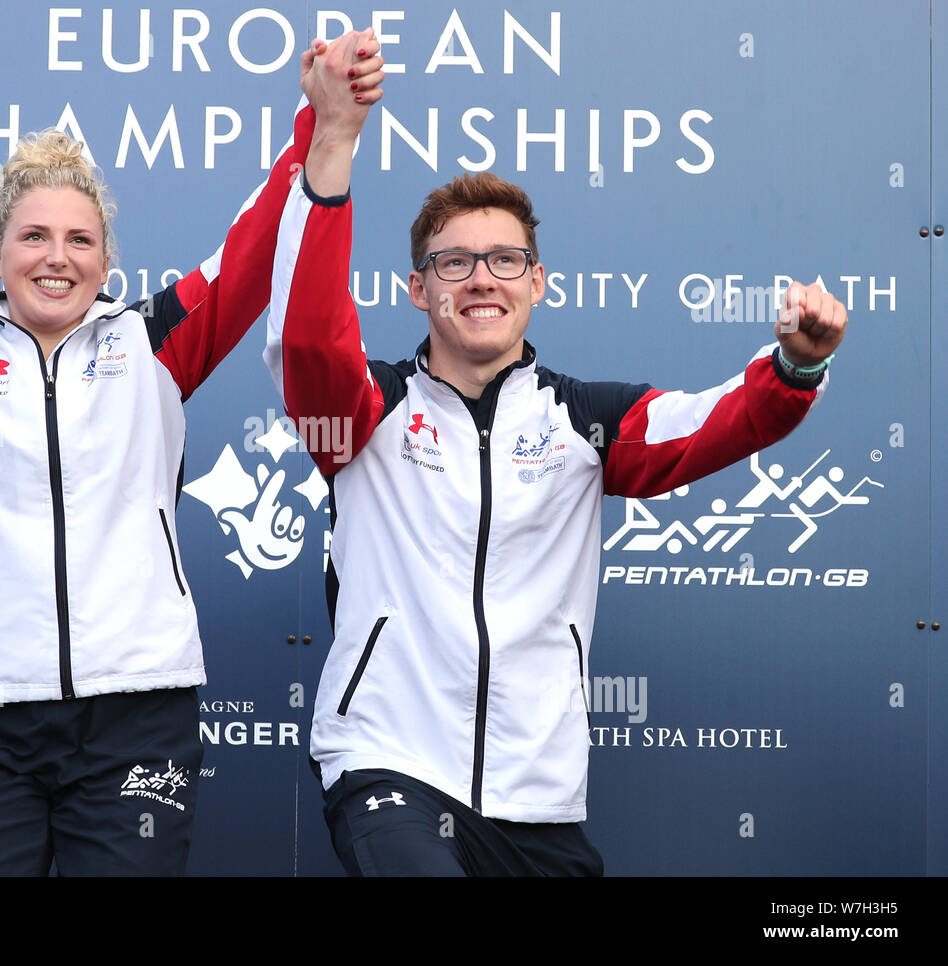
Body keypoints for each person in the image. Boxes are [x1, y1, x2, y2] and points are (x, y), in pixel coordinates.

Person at [0, 32, 385, 875]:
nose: (56, 257)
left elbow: (256, 250)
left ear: (107, 262)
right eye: (34, 237)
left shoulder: (158, 345)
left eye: (79, 240)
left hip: (137, 714)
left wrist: (320, 125)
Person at [263, 91, 847, 874]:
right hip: (387, 767)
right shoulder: (367, 411)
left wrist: (797, 366)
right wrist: (331, 151)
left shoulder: (587, 423)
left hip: (539, 800)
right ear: (417, 288)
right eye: (453, 263)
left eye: (504, 261)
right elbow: (306, 336)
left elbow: (725, 421)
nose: (481, 280)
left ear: (538, 282)